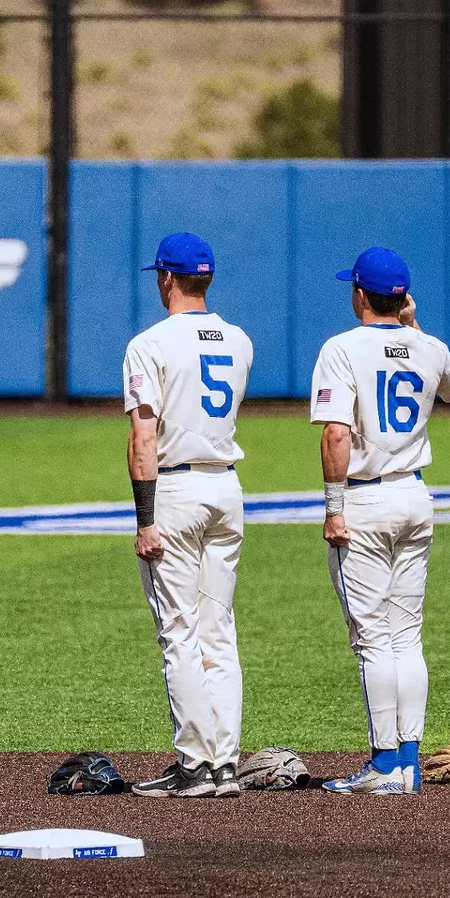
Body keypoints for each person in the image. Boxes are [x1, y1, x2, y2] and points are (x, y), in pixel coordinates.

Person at [308, 247, 450, 796]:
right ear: (402, 297)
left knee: (373, 639)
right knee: (405, 638)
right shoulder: (431, 346)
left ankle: (383, 765)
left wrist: (333, 506)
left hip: (367, 501)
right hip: (415, 496)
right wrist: (414, 326)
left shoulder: (341, 348)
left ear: (359, 294)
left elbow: (335, 434)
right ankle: (409, 762)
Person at [123, 232, 254, 798]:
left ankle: (195, 765)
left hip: (175, 492)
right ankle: (225, 762)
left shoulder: (149, 343)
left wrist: (145, 519)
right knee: (217, 632)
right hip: (226, 488)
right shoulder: (239, 339)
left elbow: (143, 436)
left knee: (179, 632)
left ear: (167, 278)